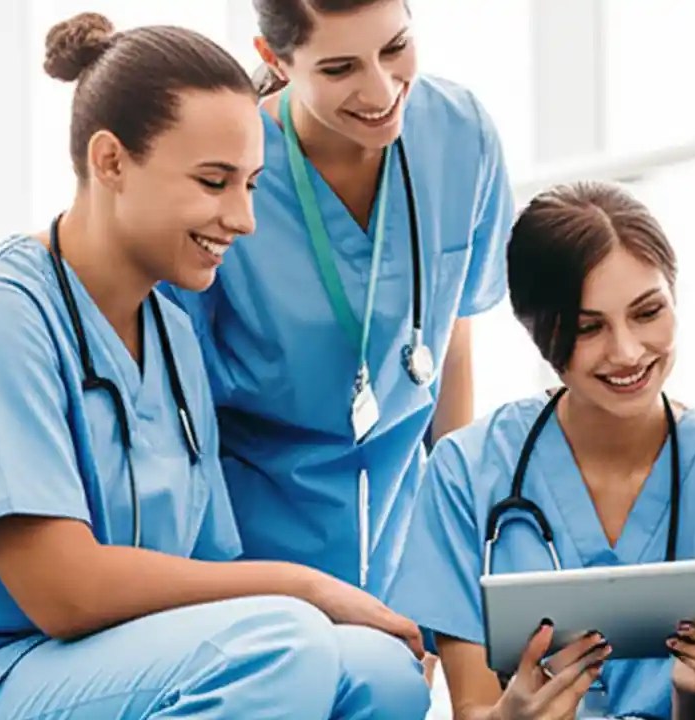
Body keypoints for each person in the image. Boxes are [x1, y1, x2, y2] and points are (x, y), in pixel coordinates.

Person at [0, 13, 427, 719]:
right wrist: (304, 586)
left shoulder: (171, 333)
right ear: (110, 162)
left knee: (381, 670)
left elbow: (209, 569)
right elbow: (63, 592)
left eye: (252, 185)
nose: (244, 219)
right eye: (214, 181)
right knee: (279, 645)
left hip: (100, 663)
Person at [385, 181, 695, 719]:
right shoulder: (467, 473)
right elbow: (475, 707)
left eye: (648, 313)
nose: (626, 352)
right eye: (588, 327)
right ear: (537, 331)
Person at [160, 0, 514, 602]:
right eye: (339, 68)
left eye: (396, 48)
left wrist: (454, 547)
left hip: (403, 530)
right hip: (254, 547)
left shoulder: (461, 135)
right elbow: (178, 408)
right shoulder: (226, 177)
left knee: (398, 692)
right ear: (274, 58)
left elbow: (450, 338)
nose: (380, 90)